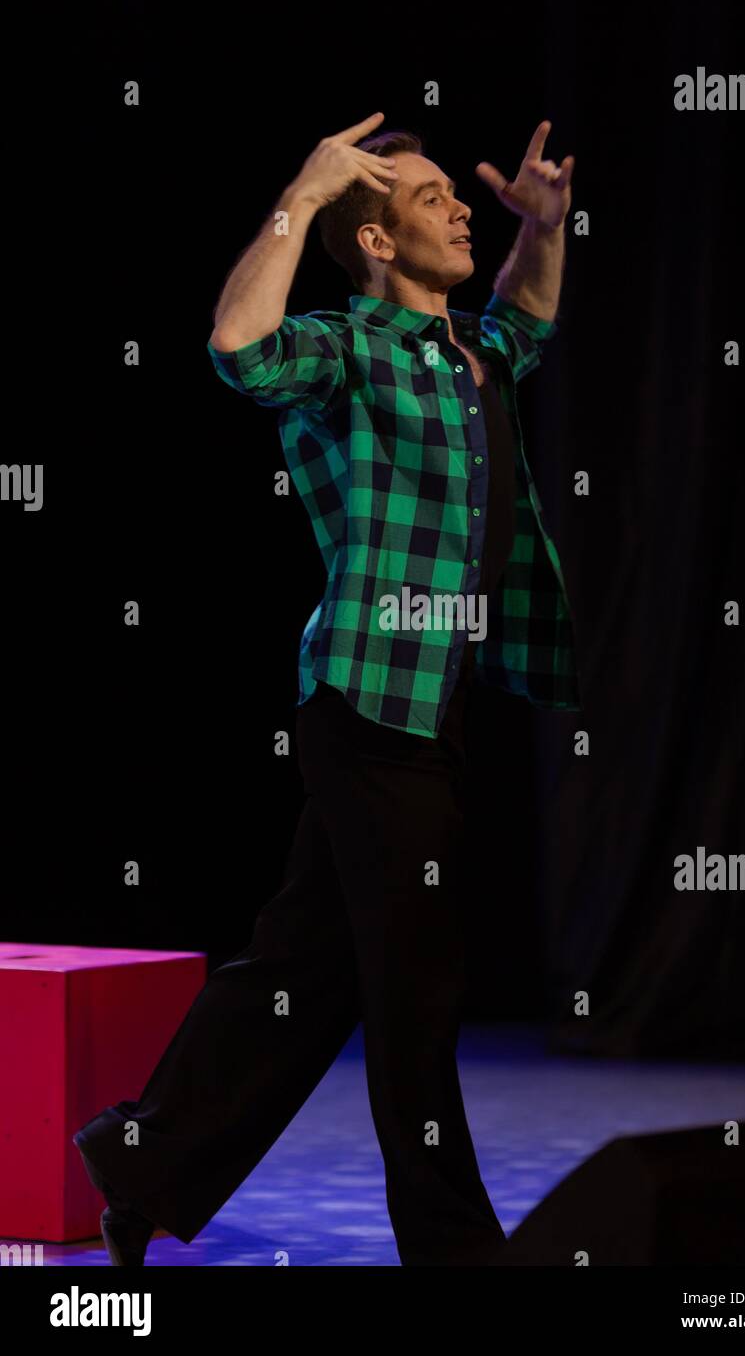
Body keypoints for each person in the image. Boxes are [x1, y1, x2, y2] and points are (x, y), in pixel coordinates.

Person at [73, 111, 582, 1267]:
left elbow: (527, 319)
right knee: (418, 995)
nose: (460, 206)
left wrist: (541, 232)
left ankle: (143, 1159)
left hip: (430, 710)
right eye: (431, 198)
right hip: (364, 712)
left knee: (303, 969)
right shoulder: (342, 348)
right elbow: (236, 344)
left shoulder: (466, 354)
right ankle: (455, 1251)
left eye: (459, 193)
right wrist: (300, 192)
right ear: (377, 242)